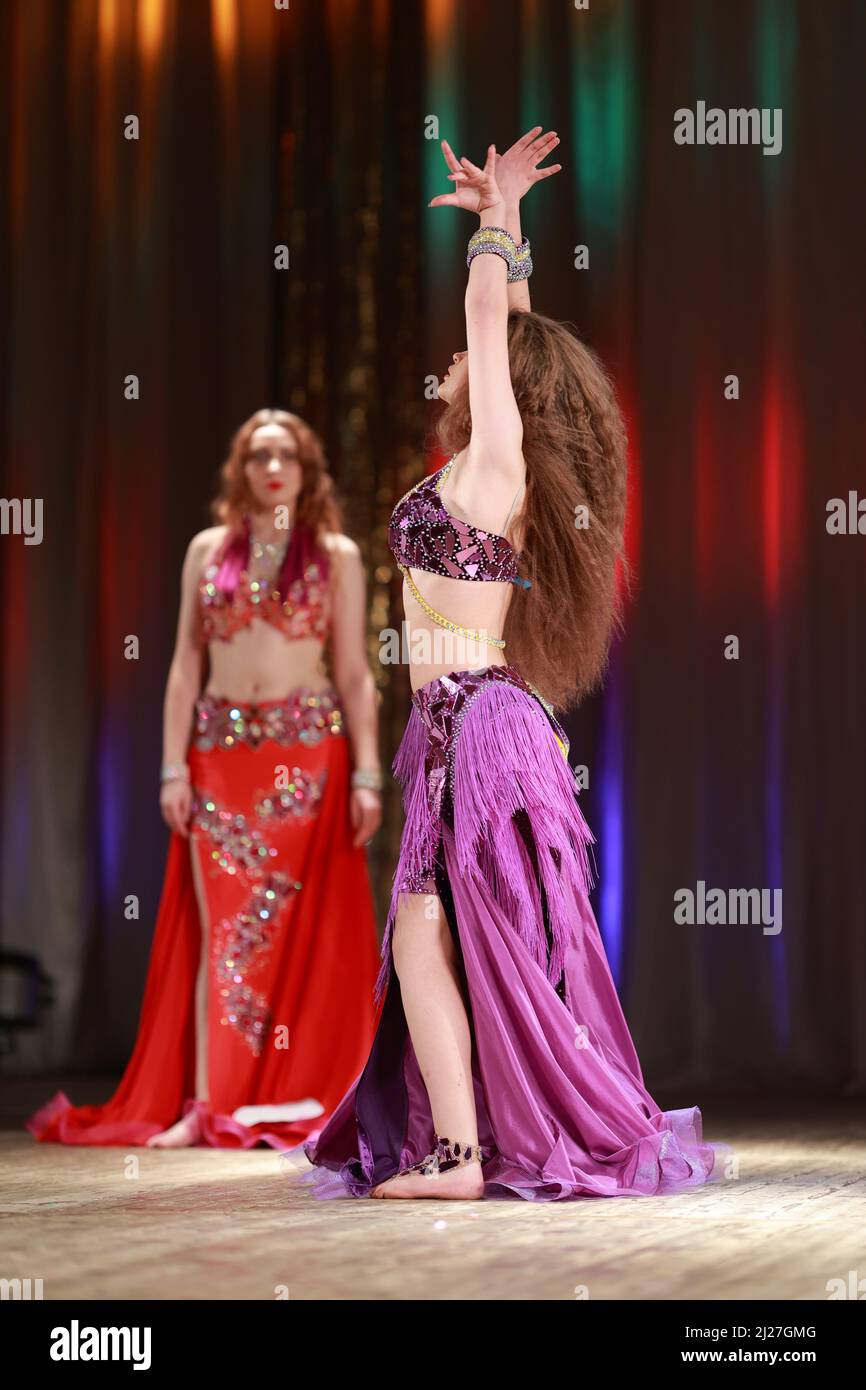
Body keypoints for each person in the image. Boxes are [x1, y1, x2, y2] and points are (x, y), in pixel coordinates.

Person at [289, 129, 730, 1199]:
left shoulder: (492, 468)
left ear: (503, 392)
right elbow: (510, 327)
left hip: (475, 725)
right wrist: (514, 230)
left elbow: (492, 321)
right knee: (437, 934)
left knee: (427, 932)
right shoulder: (495, 472)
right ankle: (464, 1142)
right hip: (473, 724)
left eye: (481, 358)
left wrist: (492, 225)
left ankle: (456, 1153)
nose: (461, 355)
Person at [28, 409, 383, 1149]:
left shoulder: (336, 555)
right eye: (259, 454)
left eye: (287, 454)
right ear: (241, 469)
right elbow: (185, 665)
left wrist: (369, 775)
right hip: (218, 761)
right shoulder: (209, 551)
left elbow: (353, 672)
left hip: (308, 761)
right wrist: (169, 766)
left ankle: (283, 1094)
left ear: (308, 468)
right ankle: (204, 1104)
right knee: (221, 933)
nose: (273, 466)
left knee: (298, 934)